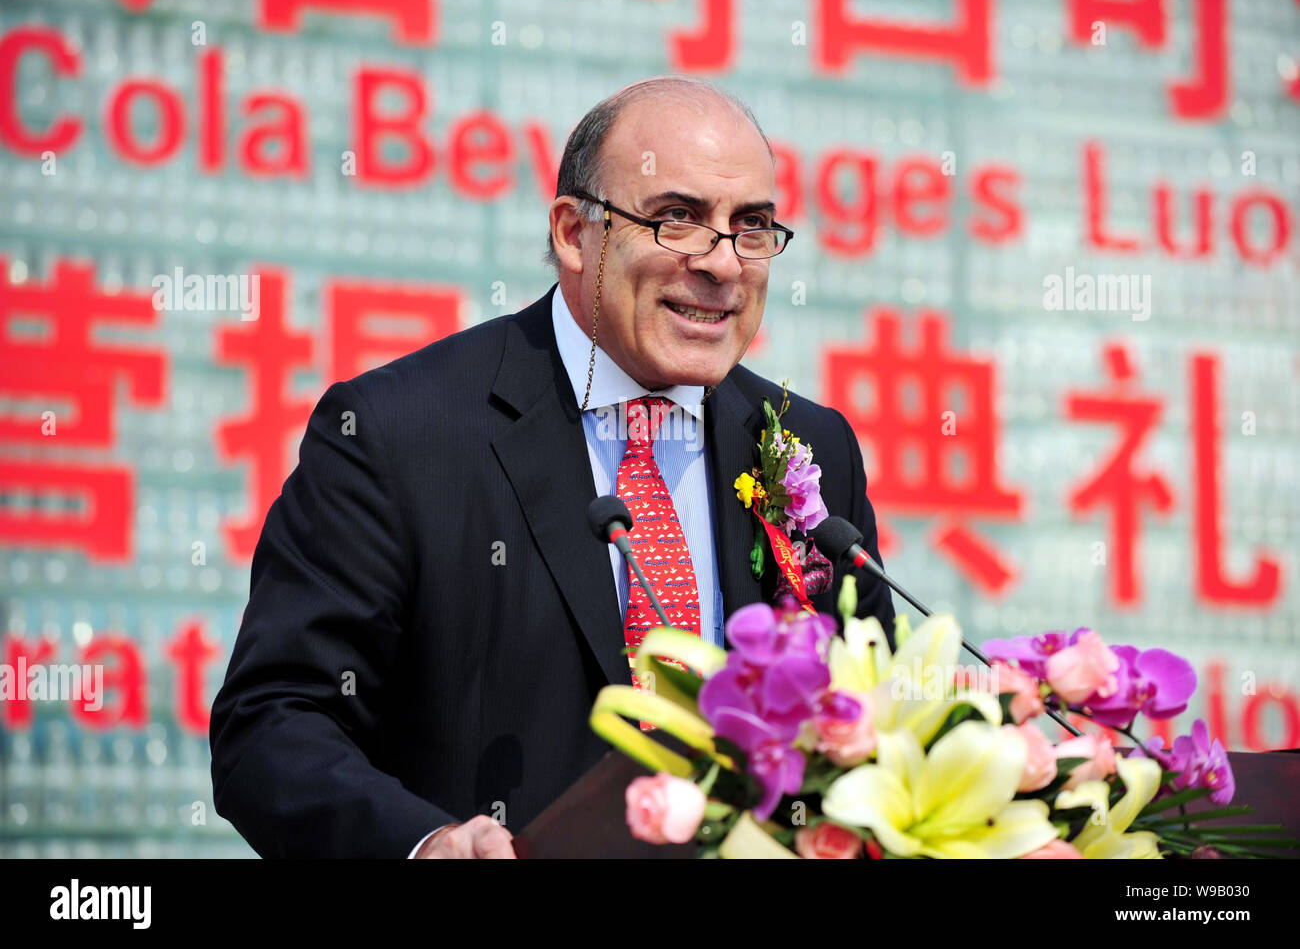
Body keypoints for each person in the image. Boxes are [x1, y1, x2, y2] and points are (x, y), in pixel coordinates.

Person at [209, 76, 893, 859]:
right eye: (678, 219)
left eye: (752, 226)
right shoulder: (399, 436)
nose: (724, 264)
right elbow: (272, 725)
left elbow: (867, 709)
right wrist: (424, 842)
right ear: (574, 232)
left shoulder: (810, 446)